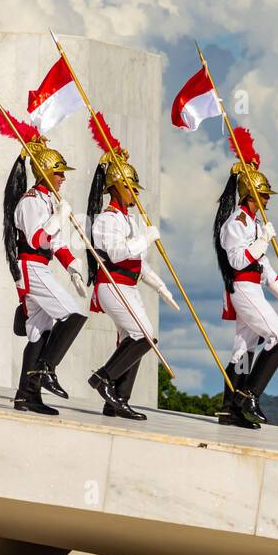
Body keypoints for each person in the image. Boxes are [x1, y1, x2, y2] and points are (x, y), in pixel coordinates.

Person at [0, 112, 88, 415]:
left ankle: (27, 395)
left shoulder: (49, 202)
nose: (64, 177)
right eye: (60, 173)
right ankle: (46, 369)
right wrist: (59, 217)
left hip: (42, 266)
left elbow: (57, 244)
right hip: (30, 266)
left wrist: (73, 265)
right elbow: (37, 239)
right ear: (45, 173)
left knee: (40, 332)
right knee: (73, 314)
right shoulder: (30, 201)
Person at [85, 142, 179, 419]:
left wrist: (160, 287)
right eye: (130, 187)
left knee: (134, 339)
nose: (135, 193)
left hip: (129, 285)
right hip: (112, 285)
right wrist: (146, 238)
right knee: (143, 337)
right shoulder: (106, 219)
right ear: (116, 187)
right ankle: (104, 379)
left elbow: (139, 263)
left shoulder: (131, 220)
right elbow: (117, 253)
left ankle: (117, 399)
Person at [214, 127, 278, 429]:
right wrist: (262, 242)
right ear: (250, 193)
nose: (267, 199)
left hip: (254, 288)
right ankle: (249, 394)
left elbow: (266, 269)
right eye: (263, 195)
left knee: (243, 350)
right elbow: (237, 259)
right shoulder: (235, 224)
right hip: (242, 289)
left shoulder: (255, 224)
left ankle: (229, 409)